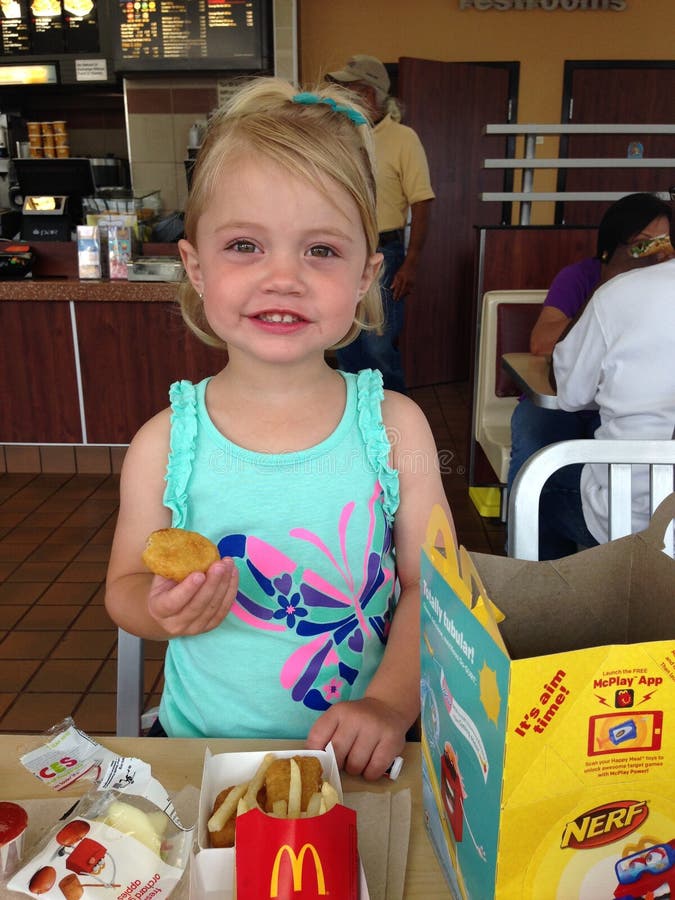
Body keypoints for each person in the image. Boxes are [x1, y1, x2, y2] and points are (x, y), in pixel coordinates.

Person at [104, 77, 454, 781]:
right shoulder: (164, 442)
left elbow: (431, 587)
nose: (283, 277)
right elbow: (123, 587)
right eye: (244, 246)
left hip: (360, 757)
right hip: (201, 753)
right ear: (196, 268)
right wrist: (162, 609)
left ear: (366, 275)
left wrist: (387, 705)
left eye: (321, 250)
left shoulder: (395, 427)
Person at [507, 192, 673, 505]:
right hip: (565, 400)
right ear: (615, 246)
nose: (656, 253)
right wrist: (609, 283)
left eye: (664, 241)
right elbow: (541, 342)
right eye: (644, 242)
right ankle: (529, 546)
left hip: (612, 408)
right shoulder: (580, 277)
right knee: (534, 431)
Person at [538, 253, 675, 558]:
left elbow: (569, 394)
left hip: (632, 517)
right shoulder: (584, 279)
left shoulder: (621, 292)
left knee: (538, 486)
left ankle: (562, 600)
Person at [326, 54, 435, 393]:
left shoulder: (404, 139)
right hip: (341, 254)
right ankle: (356, 430)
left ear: (369, 95)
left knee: (378, 349)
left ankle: (394, 427)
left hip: (385, 255)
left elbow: (422, 201)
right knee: (343, 342)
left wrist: (412, 263)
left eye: (347, 90)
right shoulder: (340, 137)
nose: (338, 97)